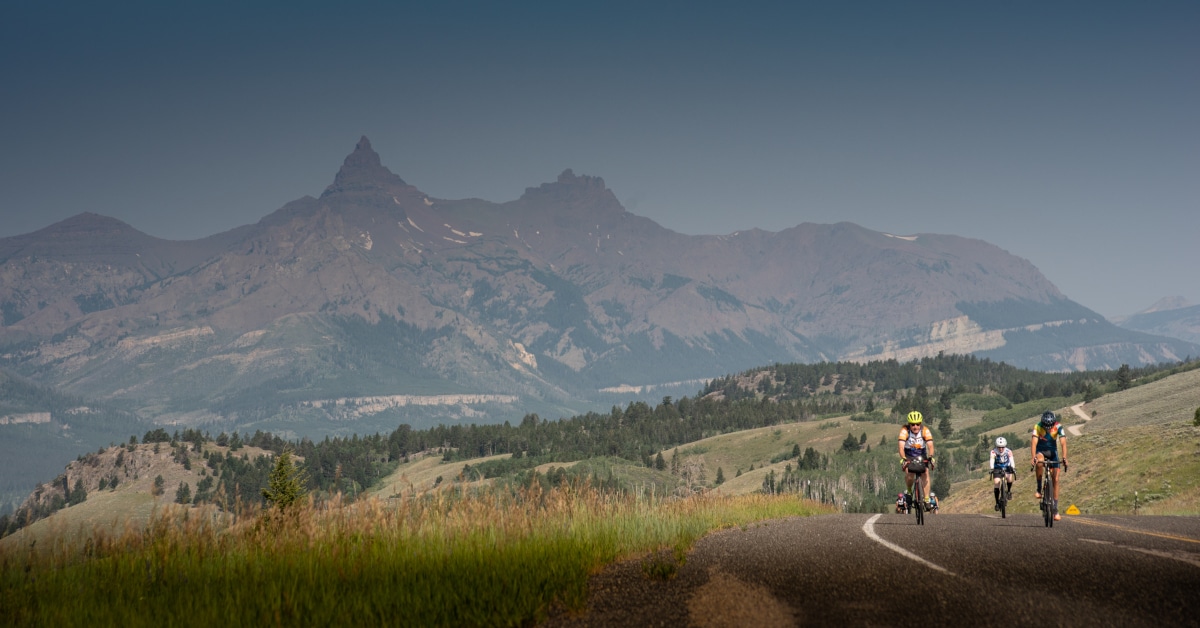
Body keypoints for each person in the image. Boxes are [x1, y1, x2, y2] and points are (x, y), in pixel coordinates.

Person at [1031, 410, 1069, 521]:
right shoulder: (1037, 426)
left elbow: (1063, 442)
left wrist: (1065, 457)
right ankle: (1039, 488)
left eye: (1049, 426)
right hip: (1041, 451)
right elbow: (1033, 443)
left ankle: (1055, 509)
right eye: (1045, 426)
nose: (1047, 428)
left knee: (1056, 479)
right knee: (1039, 461)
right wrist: (1033, 457)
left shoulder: (1058, 426)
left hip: (1053, 453)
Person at [898, 410, 935, 510]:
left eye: (918, 424)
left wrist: (931, 456)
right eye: (913, 424)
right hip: (908, 455)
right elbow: (901, 447)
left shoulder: (925, 430)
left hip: (921, 455)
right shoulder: (904, 431)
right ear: (909, 424)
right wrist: (903, 458)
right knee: (909, 475)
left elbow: (930, 445)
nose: (915, 427)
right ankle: (909, 491)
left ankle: (926, 499)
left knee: (925, 473)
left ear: (920, 424)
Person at [989, 436, 1016, 511]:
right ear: (996, 446)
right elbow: (992, 460)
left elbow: (1011, 460)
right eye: (999, 447)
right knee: (997, 482)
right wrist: (992, 468)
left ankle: (1009, 491)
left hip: (1006, 467)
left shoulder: (1008, 451)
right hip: (997, 468)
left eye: (1002, 447)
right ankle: (997, 502)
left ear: (1005, 446)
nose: (1001, 449)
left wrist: (1013, 467)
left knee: (1009, 479)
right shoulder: (993, 452)